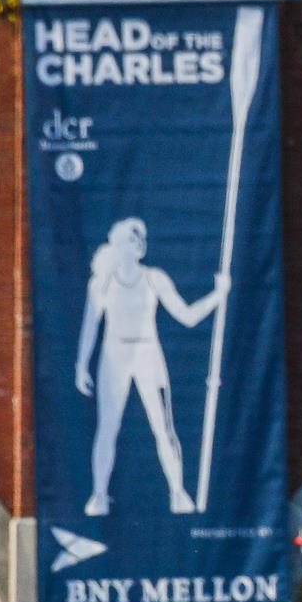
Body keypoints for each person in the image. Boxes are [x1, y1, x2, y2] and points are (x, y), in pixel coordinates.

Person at [75, 217, 229, 517]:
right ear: (114, 246)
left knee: (163, 426)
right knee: (107, 427)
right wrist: (82, 365)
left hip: (148, 353)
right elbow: (89, 326)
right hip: (114, 355)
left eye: (134, 241)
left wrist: (219, 295)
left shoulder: (154, 278)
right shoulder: (101, 283)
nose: (128, 247)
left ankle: (177, 492)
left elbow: (187, 316)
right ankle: (99, 495)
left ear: (141, 247)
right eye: (122, 241)